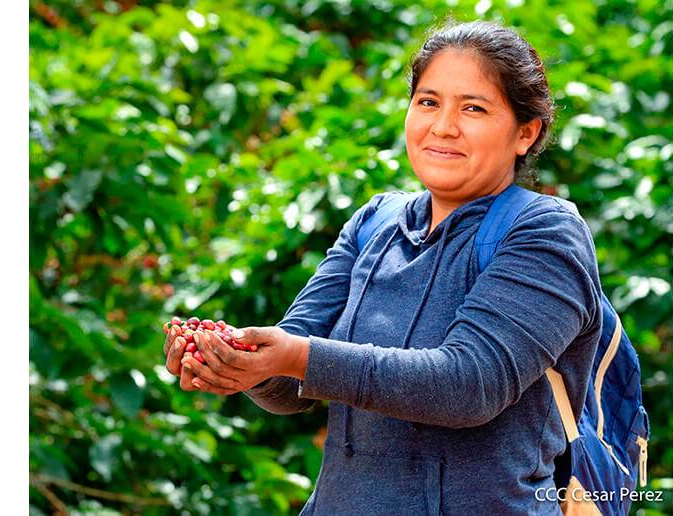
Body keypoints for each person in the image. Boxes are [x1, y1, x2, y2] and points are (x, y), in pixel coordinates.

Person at [163, 20, 603, 515]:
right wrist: (240, 362)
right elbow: (290, 382)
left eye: (474, 108)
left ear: (526, 132)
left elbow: (469, 385)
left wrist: (294, 356)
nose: (443, 126)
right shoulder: (376, 222)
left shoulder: (545, 233)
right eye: (428, 102)